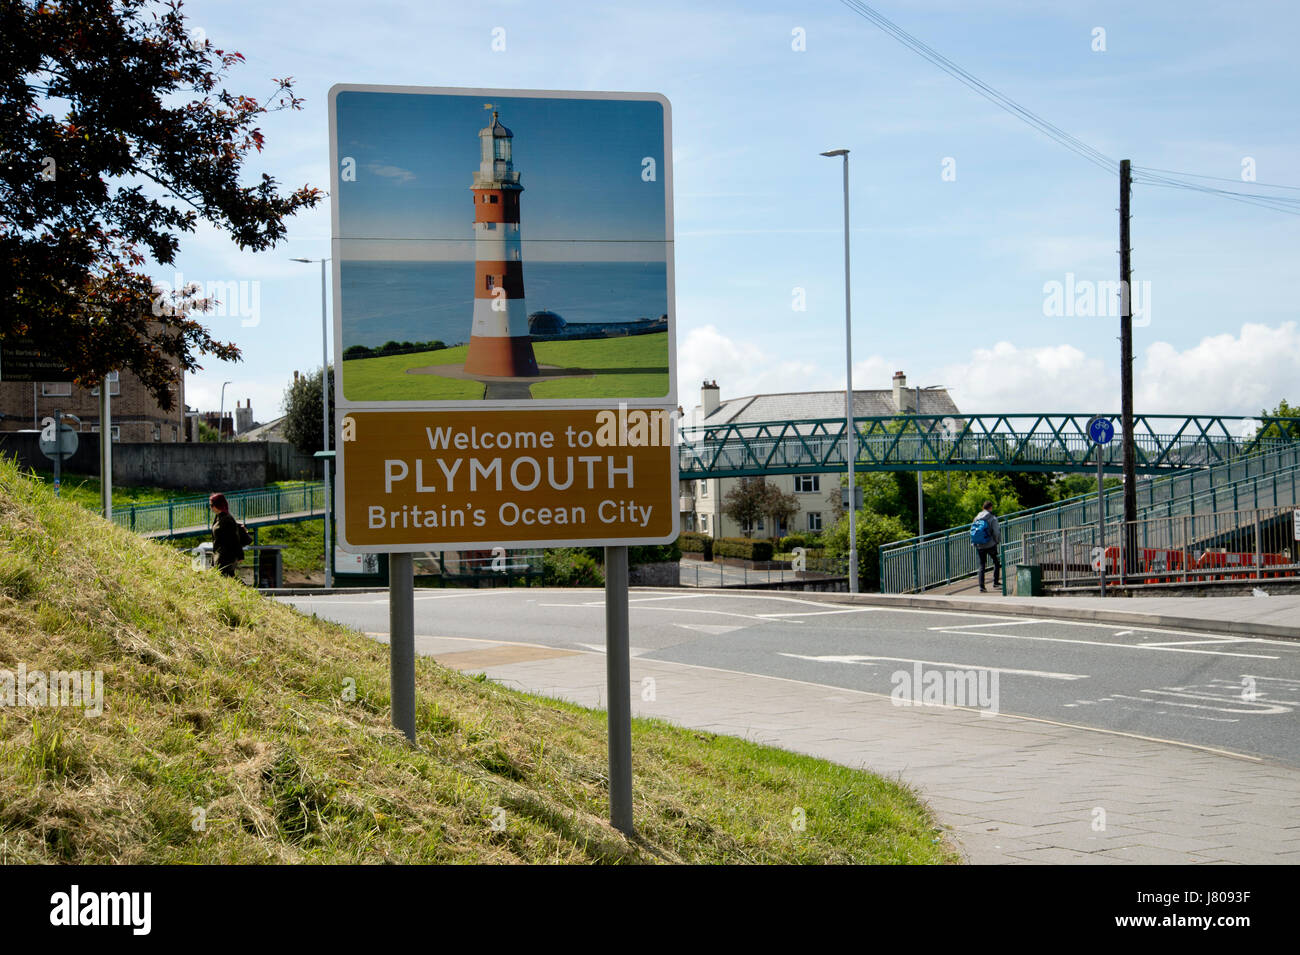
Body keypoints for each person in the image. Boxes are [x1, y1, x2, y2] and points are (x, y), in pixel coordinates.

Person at [210, 493, 246, 578]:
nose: (210, 507)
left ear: (218, 505)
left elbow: (234, 539)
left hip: (226, 557)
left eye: (212, 505)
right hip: (219, 555)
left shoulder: (228, 519)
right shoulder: (218, 517)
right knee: (227, 579)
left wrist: (240, 555)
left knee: (225, 579)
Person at [970, 499, 1001, 592]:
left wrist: (974, 543)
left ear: (983, 508)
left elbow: (972, 530)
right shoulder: (992, 518)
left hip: (979, 545)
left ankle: (982, 587)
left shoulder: (976, 518)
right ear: (990, 507)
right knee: (996, 562)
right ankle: (995, 582)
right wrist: (997, 541)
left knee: (982, 565)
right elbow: (996, 532)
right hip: (990, 544)